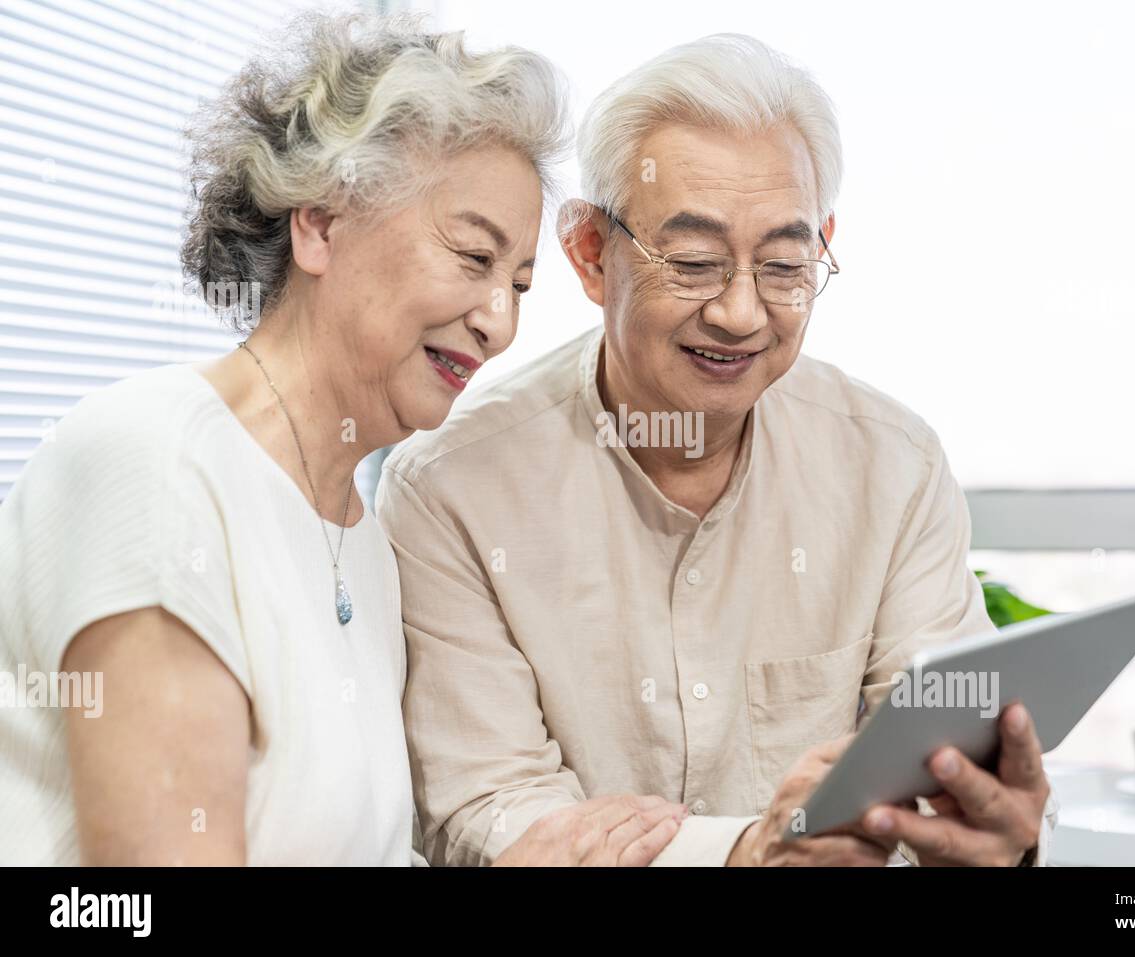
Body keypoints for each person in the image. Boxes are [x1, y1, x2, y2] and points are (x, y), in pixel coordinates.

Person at [0, 12, 685, 866]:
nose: (498, 322)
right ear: (320, 223)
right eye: (474, 258)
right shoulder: (157, 466)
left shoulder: (362, 536)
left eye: (518, 283)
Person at [380, 33, 1057, 867]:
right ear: (591, 254)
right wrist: (742, 852)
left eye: (782, 263)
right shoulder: (453, 488)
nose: (742, 313)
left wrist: (988, 829)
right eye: (695, 261)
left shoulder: (894, 466)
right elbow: (486, 813)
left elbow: (946, 767)